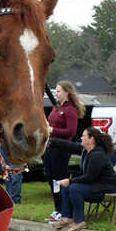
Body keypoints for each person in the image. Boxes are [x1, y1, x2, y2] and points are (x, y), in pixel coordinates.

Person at [52, 127, 116, 231]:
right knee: (66, 187)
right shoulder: (87, 152)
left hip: (105, 188)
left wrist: (70, 181)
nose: (81, 138)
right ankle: (67, 217)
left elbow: (89, 177)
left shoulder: (98, 155)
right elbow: (70, 146)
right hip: (95, 186)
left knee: (74, 188)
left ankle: (79, 221)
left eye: (84, 136)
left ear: (91, 139)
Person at [44, 81, 82, 222]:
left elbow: (70, 131)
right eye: (56, 91)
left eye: (59, 91)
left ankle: (64, 210)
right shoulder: (56, 108)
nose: (56, 93)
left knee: (59, 179)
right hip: (50, 147)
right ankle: (57, 208)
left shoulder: (70, 110)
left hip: (62, 149)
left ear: (67, 92)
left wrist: (53, 130)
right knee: (50, 178)